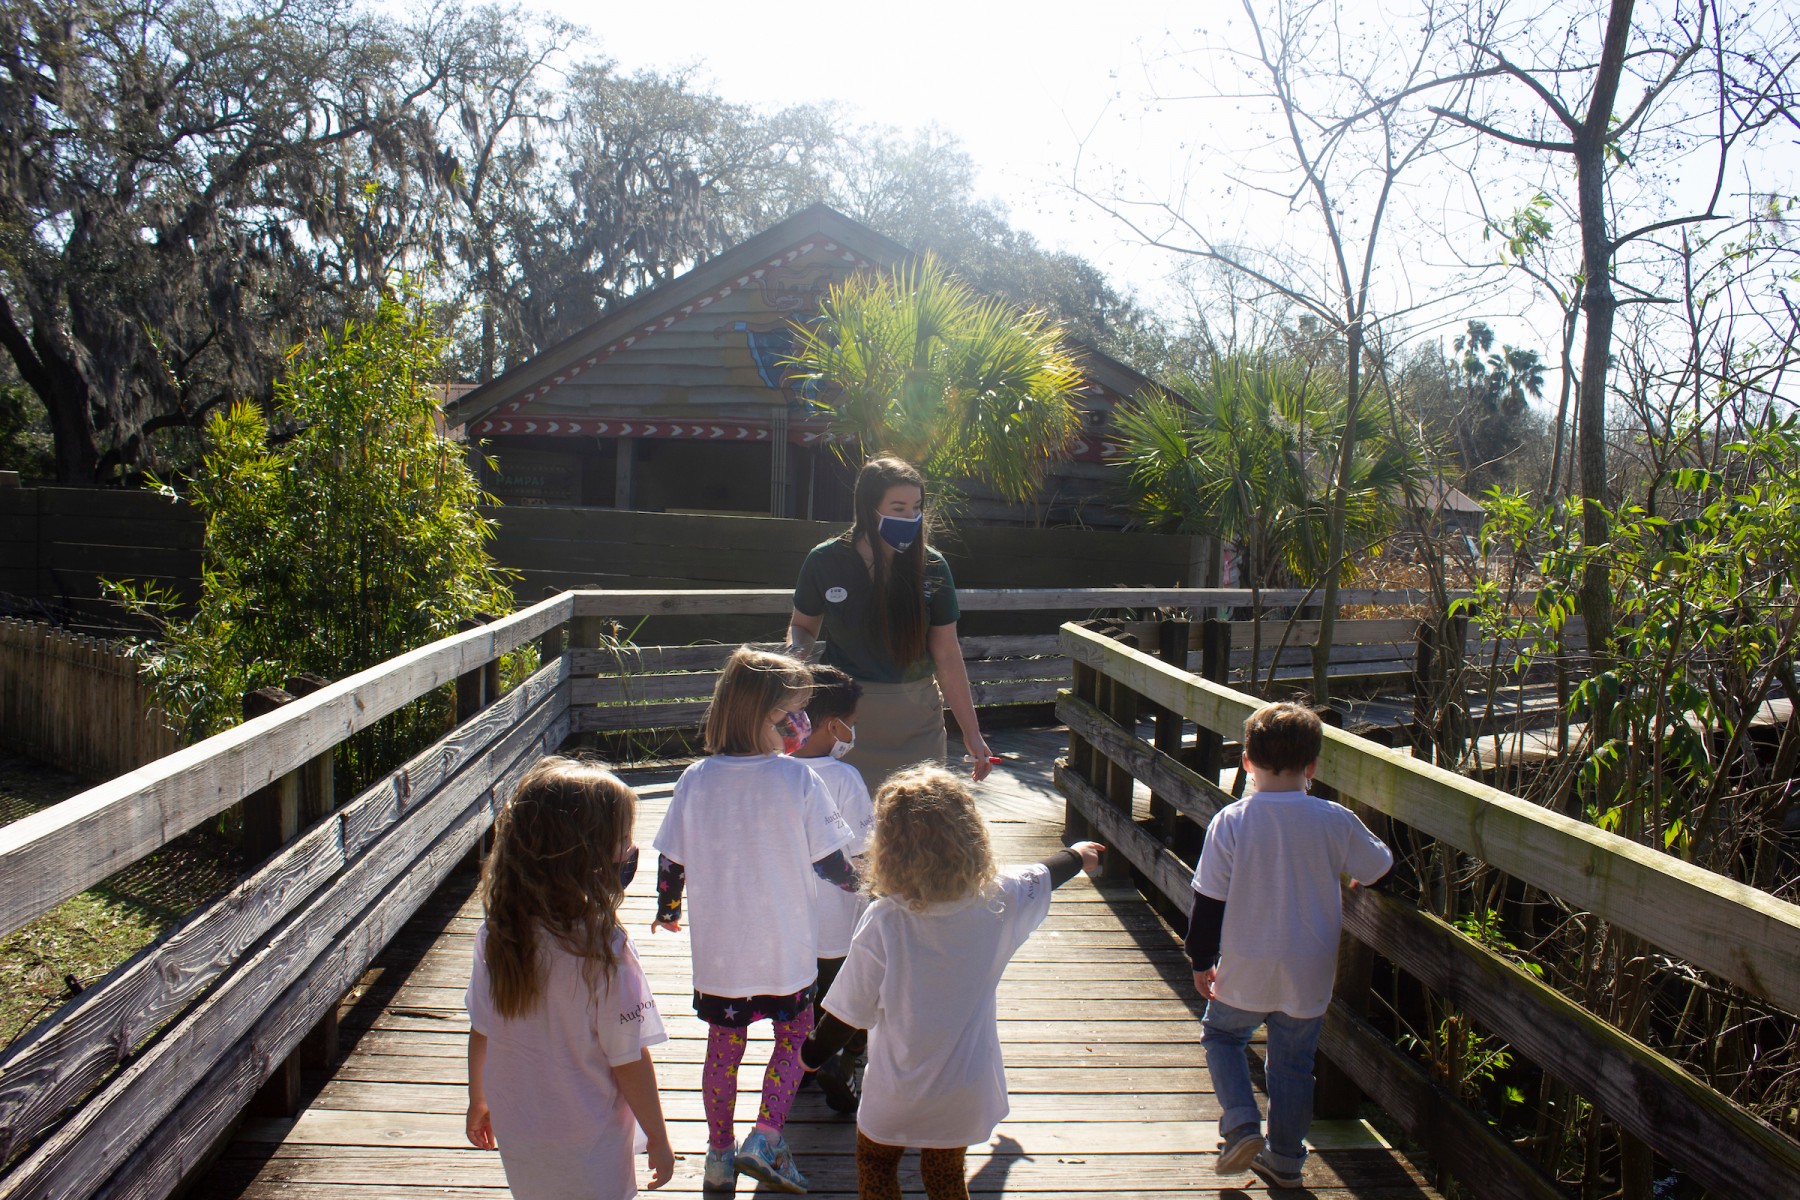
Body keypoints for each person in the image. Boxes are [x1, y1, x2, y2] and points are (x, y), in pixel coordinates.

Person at [800, 766, 1105, 1200]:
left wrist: (810, 1055)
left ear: (888, 847)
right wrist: (1080, 854)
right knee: (945, 1177)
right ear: (969, 833)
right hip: (964, 1088)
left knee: (876, 1166)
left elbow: (846, 1013)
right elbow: (1043, 873)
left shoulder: (886, 919)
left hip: (897, 1091)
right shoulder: (998, 897)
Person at [651, 646, 859, 1194]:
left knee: (724, 1047)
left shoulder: (696, 778)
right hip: (787, 950)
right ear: (752, 715)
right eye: (787, 714)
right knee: (794, 1037)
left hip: (721, 956)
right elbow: (829, 860)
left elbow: (672, 858)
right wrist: (863, 887)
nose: (800, 725)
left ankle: (719, 1154)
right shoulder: (798, 782)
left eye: (802, 712)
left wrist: (668, 910)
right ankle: (765, 1136)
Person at [1185, 702, 1393, 1190]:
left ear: (1246, 762)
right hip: (1310, 968)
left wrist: (1200, 960)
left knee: (1222, 1037)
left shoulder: (1232, 821)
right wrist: (1362, 880)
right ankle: (1285, 1161)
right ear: (1313, 766)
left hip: (1246, 965)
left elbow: (1207, 901)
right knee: (1293, 1065)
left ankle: (1239, 1122)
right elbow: (1381, 868)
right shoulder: (1333, 819)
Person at [464, 757, 673, 1198]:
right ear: (586, 856)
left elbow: (481, 1030)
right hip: (590, 1137)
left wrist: (478, 1098)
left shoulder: (498, 935)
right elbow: (629, 1057)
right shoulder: (604, 949)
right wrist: (657, 1136)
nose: (631, 849)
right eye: (622, 840)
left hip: (519, 1127)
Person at [787, 456, 993, 794]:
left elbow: (947, 653)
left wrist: (971, 732)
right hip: (842, 718)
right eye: (898, 508)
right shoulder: (824, 560)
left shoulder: (933, 565)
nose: (910, 517)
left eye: (916, 507)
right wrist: (796, 655)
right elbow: (803, 627)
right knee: (847, 828)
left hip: (916, 722)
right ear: (869, 507)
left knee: (918, 823)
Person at [789, 663, 874, 1114]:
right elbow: (862, 849)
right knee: (847, 996)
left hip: (788, 923)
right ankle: (847, 1062)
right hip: (838, 920)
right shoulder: (845, 779)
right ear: (830, 725)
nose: (851, 734)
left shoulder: (772, 772)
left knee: (797, 1000)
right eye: (851, 725)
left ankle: (798, 1068)